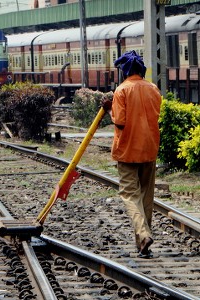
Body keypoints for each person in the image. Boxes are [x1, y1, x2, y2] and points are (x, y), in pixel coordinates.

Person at [101, 50, 162, 259]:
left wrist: (109, 109)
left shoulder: (122, 90)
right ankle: (142, 243)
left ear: (125, 70)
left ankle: (143, 235)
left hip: (127, 150)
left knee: (129, 194)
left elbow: (120, 121)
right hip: (149, 148)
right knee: (146, 195)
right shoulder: (153, 89)